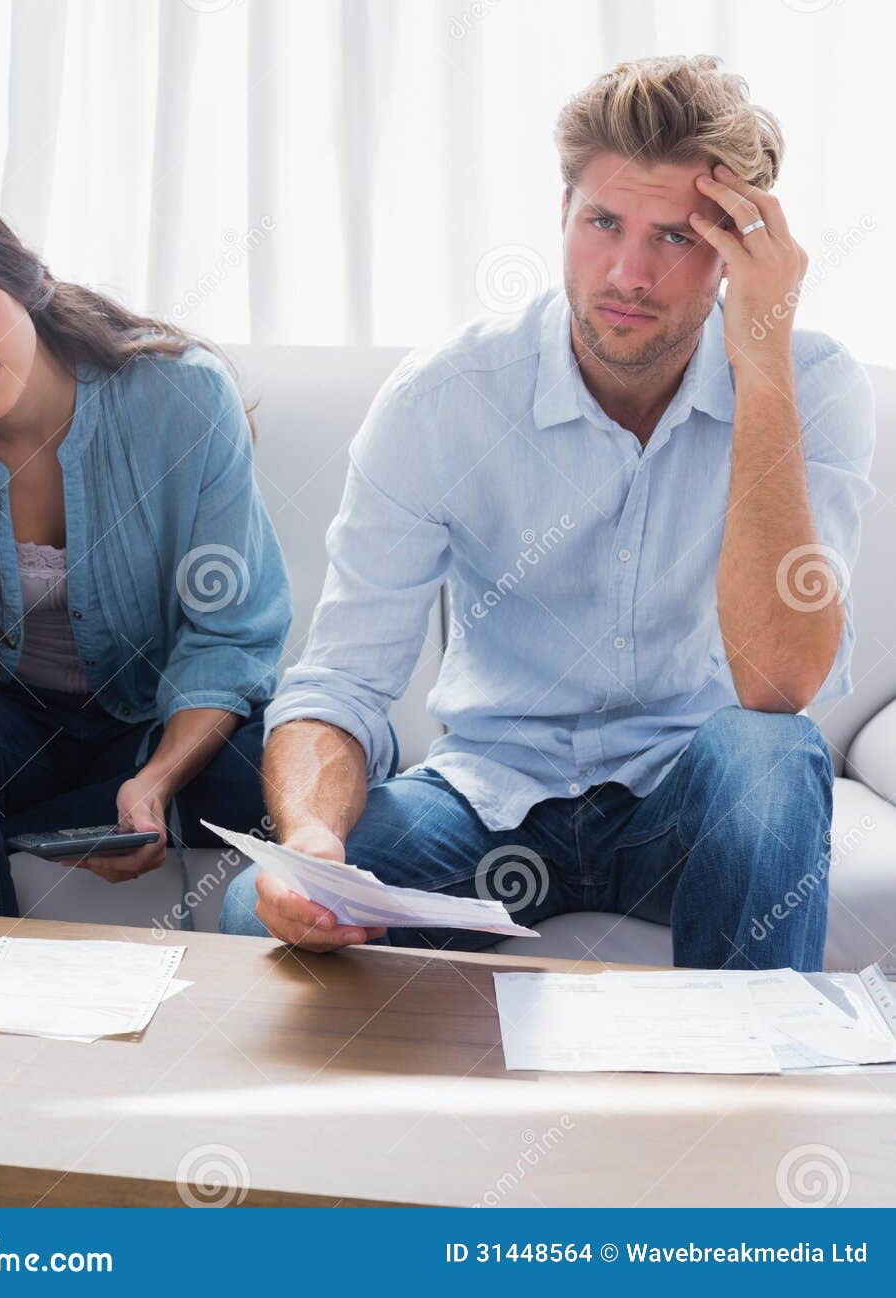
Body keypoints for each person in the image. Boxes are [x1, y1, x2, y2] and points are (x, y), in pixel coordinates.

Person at [221, 54, 875, 972]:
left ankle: (740, 1103)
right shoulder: (444, 397)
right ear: (561, 214)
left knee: (768, 753)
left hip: (687, 802)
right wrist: (313, 844)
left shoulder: (811, 382)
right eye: (602, 222)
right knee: (257, 917)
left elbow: (777, 688)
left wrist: (759, 358)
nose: (627, 273)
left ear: (738, 250)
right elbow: (342, 682)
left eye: (676, 239)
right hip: (488, 800)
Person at [0, 178, 290, 916]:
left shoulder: (180, 395)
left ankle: (50, 819)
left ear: (20, 272)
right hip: (0, 736)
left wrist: (157, 782)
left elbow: (231, 637)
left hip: (152, 724)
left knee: (273, 764)